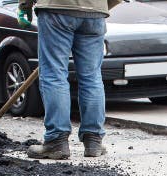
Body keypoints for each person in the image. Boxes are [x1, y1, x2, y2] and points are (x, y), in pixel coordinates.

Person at [18, 0, 120, 159]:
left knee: (54, 74)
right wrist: (98, 6)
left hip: (57, 8)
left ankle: (56, 141)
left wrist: (25, 5)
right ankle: (94, 141)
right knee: (91, 77)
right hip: (95, 13)